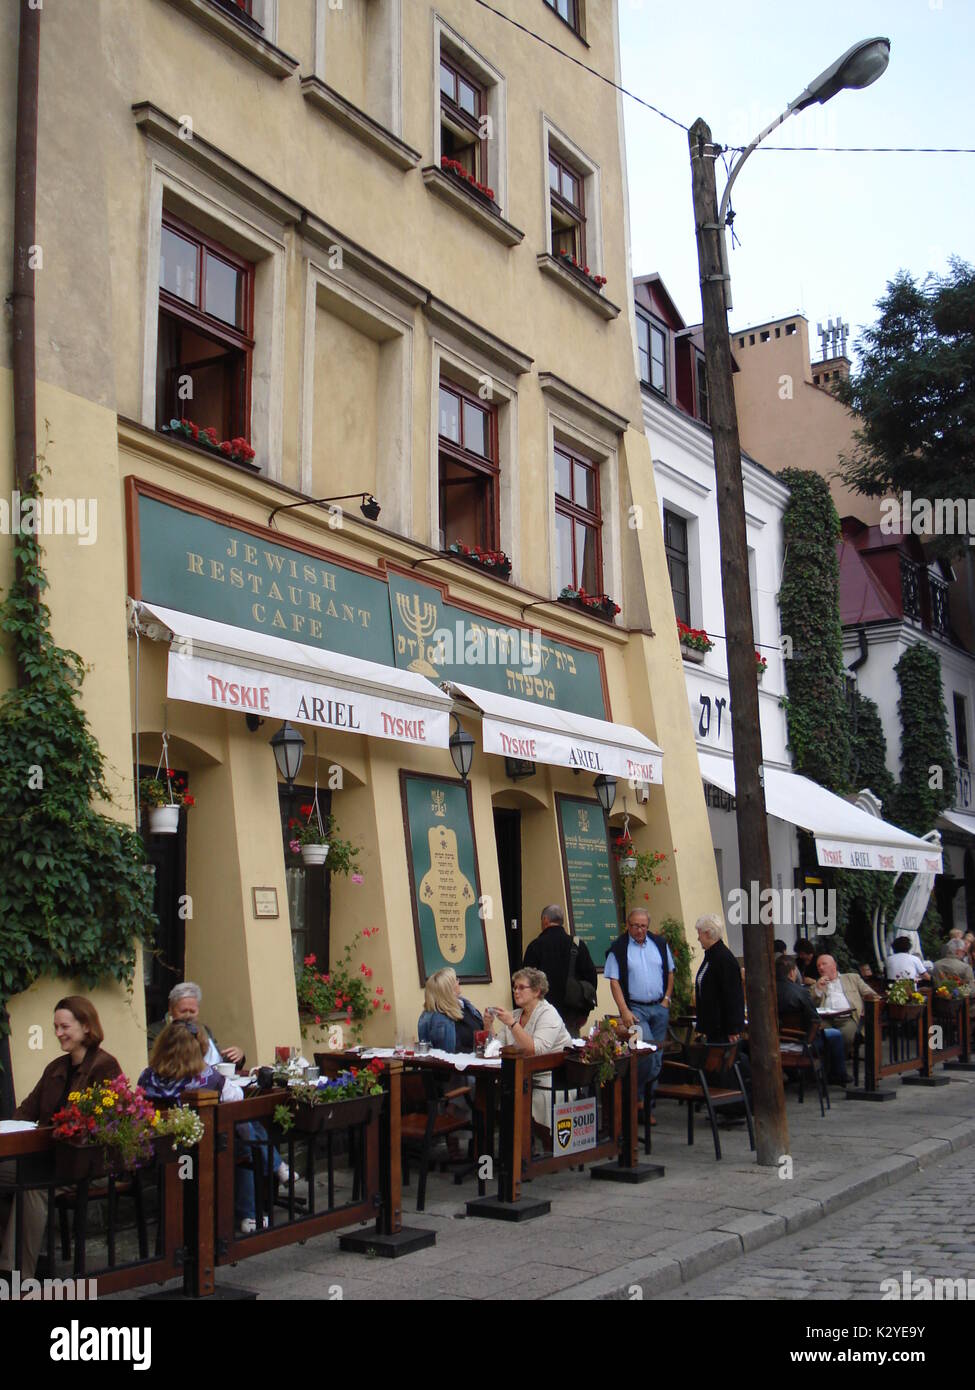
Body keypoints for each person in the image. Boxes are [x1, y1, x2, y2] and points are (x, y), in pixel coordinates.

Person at [1, 997, 121, 1278]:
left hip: (84, 1162)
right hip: (44, 1158)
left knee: (31, 1184)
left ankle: (15, 1275)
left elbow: (105, 1126)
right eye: (55, 1027)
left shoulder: (104, 1066)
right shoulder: (56, 1067)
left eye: (64, 1026)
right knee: (17, 1175)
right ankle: (17, 1256)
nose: (58, 1033)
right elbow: (26, 1111)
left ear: (86, 1027)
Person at [138, 1021, 283, 1235]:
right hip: (204, 1151)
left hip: (164, 1151)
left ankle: (179, 1216)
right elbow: (237, 1097)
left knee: (243, 1132)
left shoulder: (148, 1076)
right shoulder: (207, 1077)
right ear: (200, 1048)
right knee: (243, 1139)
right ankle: (250, 1212)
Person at [604, 908, 673, 1122]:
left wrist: (666, 1000)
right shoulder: (619, 948)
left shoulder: (660, 944)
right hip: (635, 1011)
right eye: (635, 925)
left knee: (658, 1059)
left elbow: (670, 972)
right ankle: (636, 1100)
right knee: (645, 1054)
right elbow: (614, 981)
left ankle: (645, 1105)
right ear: (628, 925)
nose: (639, 930)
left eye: (643, 926)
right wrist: (624, 1010)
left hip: (659, 1008)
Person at [488, 968, 572, 1141]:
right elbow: (497, 1047)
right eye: (514, 988)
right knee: (489, 1093)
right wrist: (488, 1025)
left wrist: (512, 1024)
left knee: (515, 1093)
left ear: (536, 991)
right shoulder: (516, 1014)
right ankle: (508, 1150)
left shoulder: (548, 1014)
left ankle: (534, 1147)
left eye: (521, 988)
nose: (516, 992)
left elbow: (536, 1050)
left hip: (550, 1077)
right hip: (522, 1075)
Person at [522, 905, 597, 1036]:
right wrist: (583, 1013)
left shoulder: (535, 947)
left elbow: (525, 983)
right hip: (572, 1016)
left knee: (543, 1053)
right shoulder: (578, 945)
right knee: (570, 1053)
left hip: (541, 1017)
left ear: (545, 920)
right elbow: (591, 982)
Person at [775, 955, 847, 1085]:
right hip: (801, 1043)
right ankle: (838, 1075)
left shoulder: (765, 991)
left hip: (774, 1041)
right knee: (835, 1035)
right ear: (792, 972)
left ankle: (795, 1075)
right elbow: (814, 1020)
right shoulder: (800, 992)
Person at [147, 982, 244, 1066]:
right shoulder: (155, 1032)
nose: (188, 1015)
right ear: (171, 1009)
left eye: (192, 1011)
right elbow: (154, 1062)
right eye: (183, 1011)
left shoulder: (204, 1030)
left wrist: (236, 1057)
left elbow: (217, 1062)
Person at [809, 954, 881, 1053]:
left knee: (845, 1037)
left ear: (834, 965)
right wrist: (818, 989)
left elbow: (872, 995)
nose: (821, 967)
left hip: (848, 1018)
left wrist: (866, 1008)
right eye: (818, 966)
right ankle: (836, 1061)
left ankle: (837, 1060)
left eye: (824, 964)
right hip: (826, 1020)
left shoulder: (852, 978)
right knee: (822, 1037)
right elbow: (810, 1005)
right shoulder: (816, 986)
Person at [694, 914, 744, 1043]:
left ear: (708, 933)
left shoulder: (723, 959)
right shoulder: (711, 956)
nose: (698, 938)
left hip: (722, 1028)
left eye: (699, 933)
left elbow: (733, 995)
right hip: (712, 1026)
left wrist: (733, 1029)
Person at [417, 968, 484, 1052]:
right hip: (463, 1063)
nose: (458, 981)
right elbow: (451, 1053)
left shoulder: (466, 1006)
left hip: (479, 1060)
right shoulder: (438, 1018)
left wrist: (488, 1023)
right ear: (448, 989)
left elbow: (483, 1036)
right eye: (455, 980)